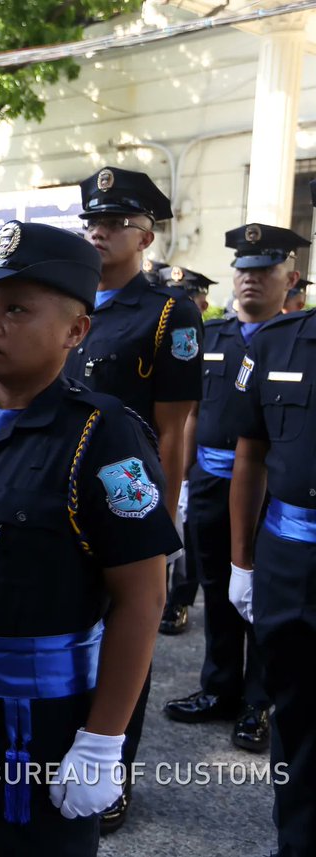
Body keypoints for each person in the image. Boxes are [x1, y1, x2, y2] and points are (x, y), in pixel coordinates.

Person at [0, 219, 179, 856]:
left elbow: (141, 599)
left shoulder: (104, 435)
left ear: (77, 331)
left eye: (17, 309)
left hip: (40, 724)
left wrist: (104, 740)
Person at [65, 165, 203, 832]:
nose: (101, 229)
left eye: (117, 221)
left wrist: (166, 517)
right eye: (93, 218)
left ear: (145, 235)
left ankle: (113, 772)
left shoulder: (170, 311)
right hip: (56, 491)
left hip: (127, 499)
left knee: (126, 631)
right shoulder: (65, 298)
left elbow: (175, 426)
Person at [162, 226, 304, 757]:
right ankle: (219, 686)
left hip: (269, 491)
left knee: (263, 599)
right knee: (219, 589)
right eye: (243, 270)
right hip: (210, 483)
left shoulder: (293, 342)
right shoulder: (212, 336)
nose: (250, 280)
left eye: (263, 271)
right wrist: (183, 484)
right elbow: (193, 414)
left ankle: (257, 702)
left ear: (289, 280)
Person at [227, 182, 316, 857]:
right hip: (289, 560)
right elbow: (250, 456)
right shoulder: (283, 342)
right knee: (296, 712)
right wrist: (242, 562)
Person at [156, 265, 217, 635]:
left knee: (188, 540)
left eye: (187, 296)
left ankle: (179, 599)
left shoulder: (207, 335)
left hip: (202, 450)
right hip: (177, 446)